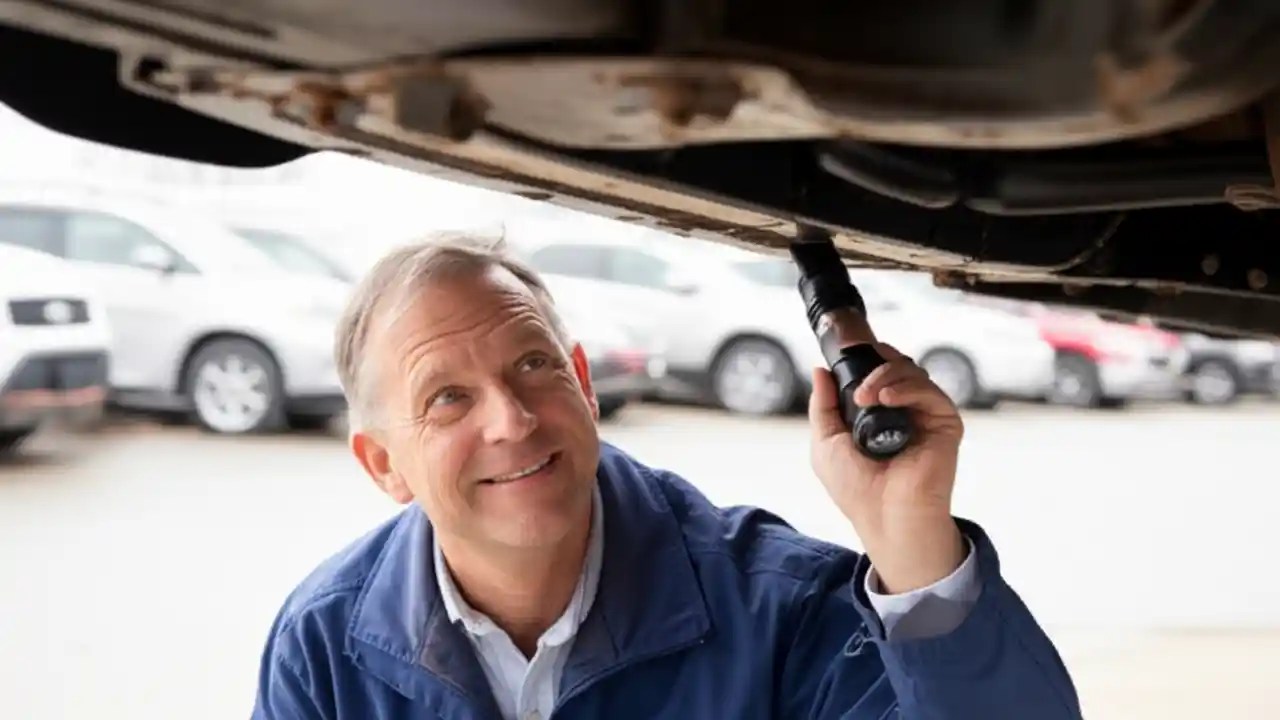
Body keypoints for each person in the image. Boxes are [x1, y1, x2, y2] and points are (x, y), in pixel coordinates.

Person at [251, 234, 1083, 720]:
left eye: (534, 364)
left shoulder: (778, 611)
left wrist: (915, 546)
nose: (510, 419)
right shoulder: (327, 647)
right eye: (448, 398)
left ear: (582, 379)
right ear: (383, 464)